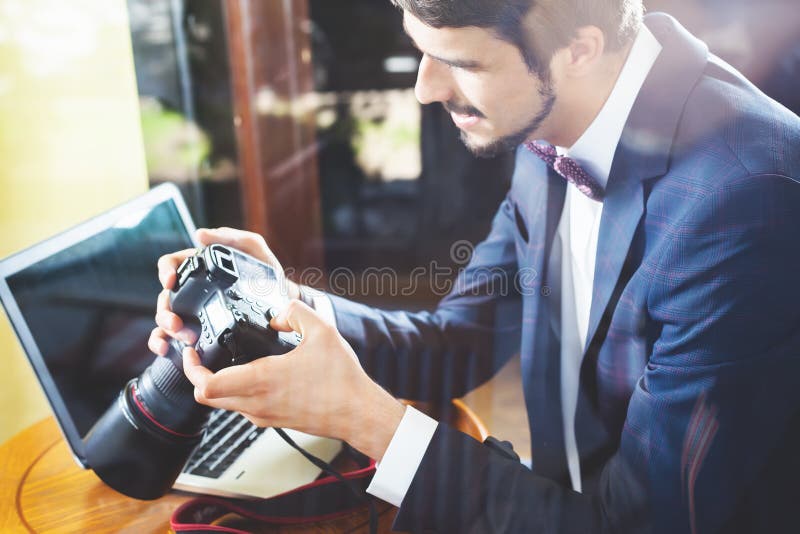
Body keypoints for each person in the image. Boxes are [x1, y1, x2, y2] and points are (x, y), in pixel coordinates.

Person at [150, 0, 800, 531]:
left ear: (578, 50)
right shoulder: (560, 113)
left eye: (458, 61)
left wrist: (361, 418)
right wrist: (277, 300)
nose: (425, 89)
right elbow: (458, 339)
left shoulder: (746, 197)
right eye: (421, 50)